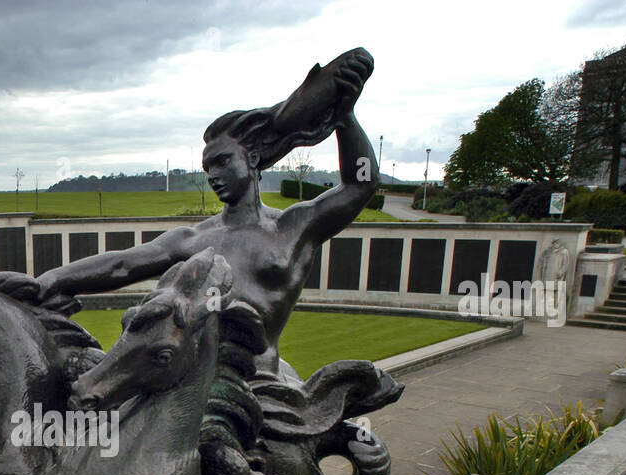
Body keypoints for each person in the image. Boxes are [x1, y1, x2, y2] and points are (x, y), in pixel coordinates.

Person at [37, 48, 378, 383]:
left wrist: (345, 119)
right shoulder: (193, 239)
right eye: (206, 167)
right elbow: (122, 264)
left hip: (258, 384)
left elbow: (359, 186)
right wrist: (50, 281)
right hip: (189, 382)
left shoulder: (295, 226)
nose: (212, 175)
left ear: (253, 160)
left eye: (222, 162)